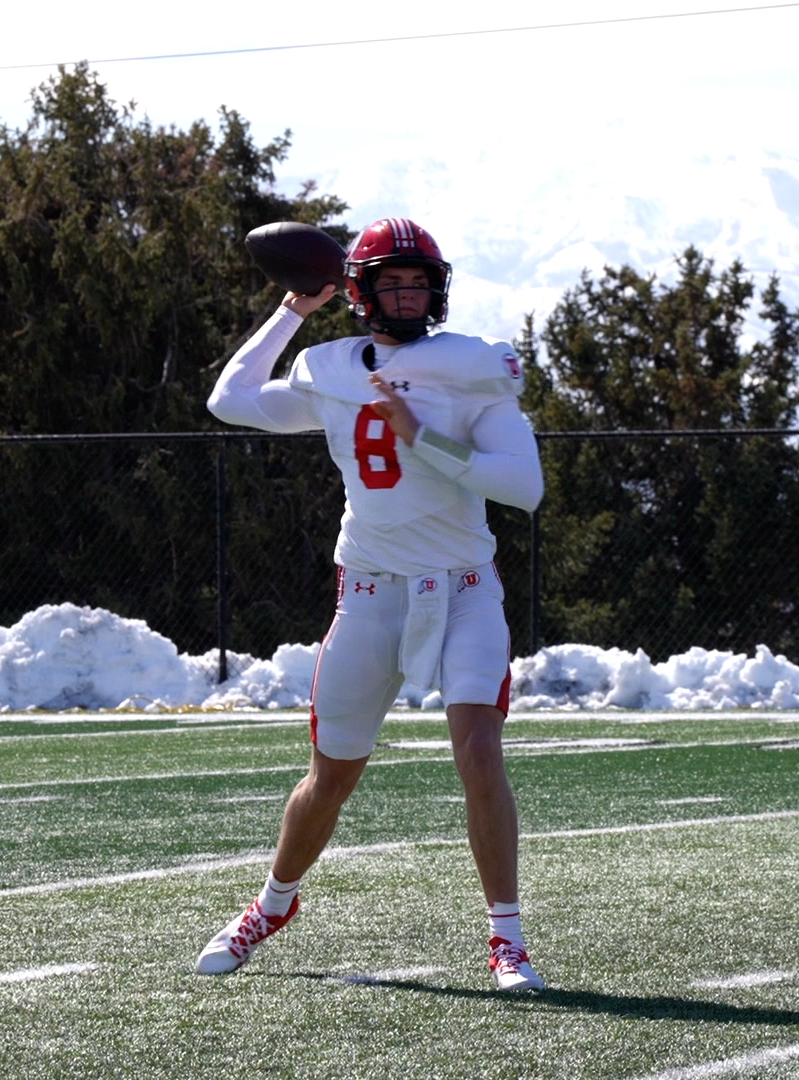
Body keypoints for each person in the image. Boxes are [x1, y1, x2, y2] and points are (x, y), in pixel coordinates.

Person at [196, 217, 547, 989]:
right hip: (370, 593)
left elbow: (525, 489)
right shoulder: (331, 370)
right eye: (392, 281)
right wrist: (292, 310)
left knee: (479, 753)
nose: (408, 294)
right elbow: (232, 400)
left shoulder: (473, 368)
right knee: (331, 776)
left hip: (462, 591)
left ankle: (508, 940)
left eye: (418, 281)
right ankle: (272, 904)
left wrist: (423, 437)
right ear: (359, 292)